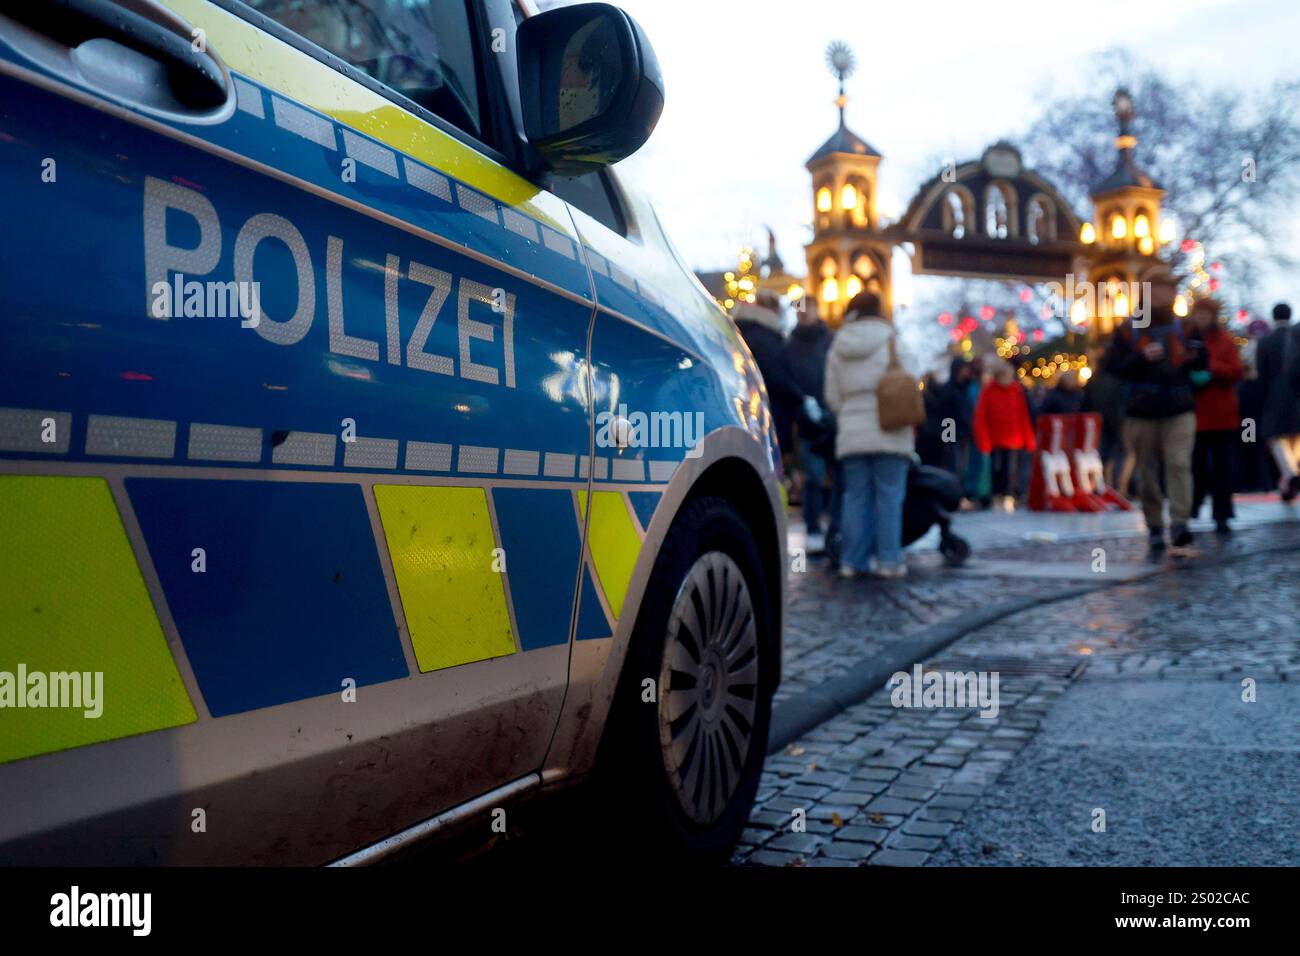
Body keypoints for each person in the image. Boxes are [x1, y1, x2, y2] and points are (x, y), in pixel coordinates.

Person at [1102, 274, 1196, 555]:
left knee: (1179, 463)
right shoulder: (1129, 329)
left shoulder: (1186, 327)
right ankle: (1154, 523)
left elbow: (1202, 362)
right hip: (1141, 409)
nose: (1163, 294)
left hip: (1179, 407)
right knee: (1147, 471)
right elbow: (1112, 367)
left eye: (1168, 289)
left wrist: (1193, 360)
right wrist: (1140, 358)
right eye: (1157, 289)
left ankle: (1179, 522)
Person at [824, 290, 914, 579]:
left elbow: (831, 394)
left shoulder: (839, 344)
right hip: (891, 427)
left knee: (855, 497)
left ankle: (853, 561)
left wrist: (849, 411)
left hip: (852, 430)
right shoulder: (891, 339)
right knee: (889, 497)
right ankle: (889, 561)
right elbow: (913, 377)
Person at [1187, 299, 1243, 534]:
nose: (1201, 318)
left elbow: (1235, 371)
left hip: (1222, 415)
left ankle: (1222, 514)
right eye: (1198, 314)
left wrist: (1211, 366)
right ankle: (1193, 505)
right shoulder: (1187, 339)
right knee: (1195, 465)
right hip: (1195, 414)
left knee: (1223, 468)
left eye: (1205, 314)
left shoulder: (1224, 340)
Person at [784, 300, 833, 551]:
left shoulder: (830, 340)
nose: (803, 313)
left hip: (832, 414)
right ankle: (813, 526)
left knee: (837, 475)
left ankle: (836, 527)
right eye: (799, 309)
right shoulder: (789, 344)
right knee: (813, 477)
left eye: (807, 308)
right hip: (805, 418)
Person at [972, 358, 1036, 512]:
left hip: (1014, 439)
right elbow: (981, 417)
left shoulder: (1017, 390)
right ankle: (996, 496)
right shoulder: (988, 391)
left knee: (1011, 471)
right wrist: (983, 441)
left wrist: (1029, 440)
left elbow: (1023, 416)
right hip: (995, 439)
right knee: (995, 470)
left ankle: (1008, 496)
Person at [1255, 302, 1300, 502]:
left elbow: (1261, 373)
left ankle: (1290, 474)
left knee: (1277, 439)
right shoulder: (1296, 335)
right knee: (1295, 438)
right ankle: (1290, 477)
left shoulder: (1266, 341)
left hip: (1274, 395)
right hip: (1297, 394)